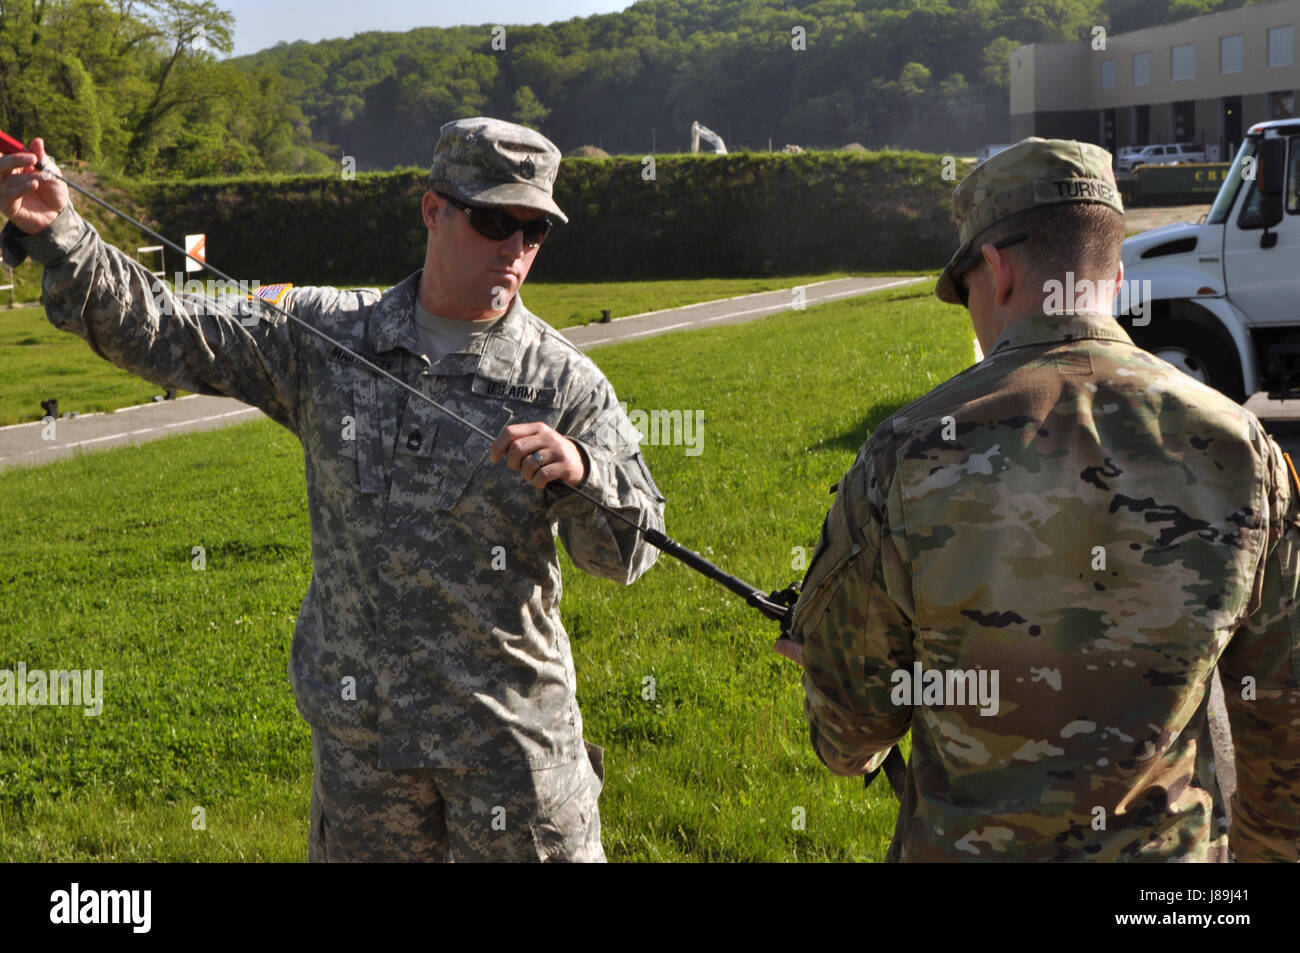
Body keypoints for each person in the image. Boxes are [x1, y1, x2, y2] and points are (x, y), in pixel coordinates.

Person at [0, 117, 665, 862]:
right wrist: (61, 232)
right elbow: (170, 329)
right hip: (363, 752)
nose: (513, 249)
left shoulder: (566, 383)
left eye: (534, 230)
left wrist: (584, 473)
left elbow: (628, 554)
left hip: (512, 749)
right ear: (433, 210)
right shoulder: (328, 335)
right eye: (493, 220)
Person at [775, 137, 1300, 862]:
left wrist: (825, 665)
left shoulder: (903, 456)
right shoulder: (1244, 451)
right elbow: (1284, 723)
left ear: (996, 267)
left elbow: (847, 741)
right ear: (1114, 276)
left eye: (965, 293)